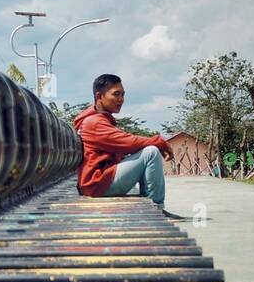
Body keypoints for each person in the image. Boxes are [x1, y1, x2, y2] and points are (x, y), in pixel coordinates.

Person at [72, 73, 182, 217]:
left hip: (101, 181)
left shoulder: (99, 119)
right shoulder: (94, 123)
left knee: (148, 150)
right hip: (97, 184)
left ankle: (153, 205)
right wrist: (159, 141)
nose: (121, 99)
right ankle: (156, 209)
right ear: (99, 97)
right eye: (116, 94)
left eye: (123, 94)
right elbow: (129, 143)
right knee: (151, 152)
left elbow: (127, 143)